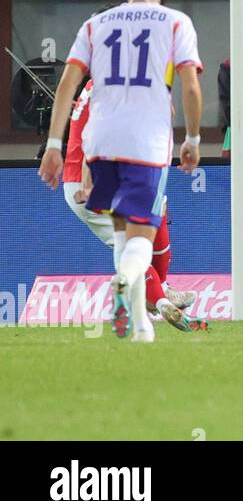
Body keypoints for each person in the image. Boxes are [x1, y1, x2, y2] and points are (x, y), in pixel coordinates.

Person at [39, 0, 205, 344]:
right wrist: (193, 140)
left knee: (120, 236)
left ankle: (139, 325)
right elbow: (191, 87)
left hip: (100, 143)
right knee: (139, 239)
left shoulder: (95, 26)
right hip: (144, 144)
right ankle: (129, 284)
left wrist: (52, 145)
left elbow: (67, 83)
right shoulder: (174, 22)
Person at [63, 72, 206, 334]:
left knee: (157, 208)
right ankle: (159, 300)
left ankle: (160, 292)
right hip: (91, 181)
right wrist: (88, 184)